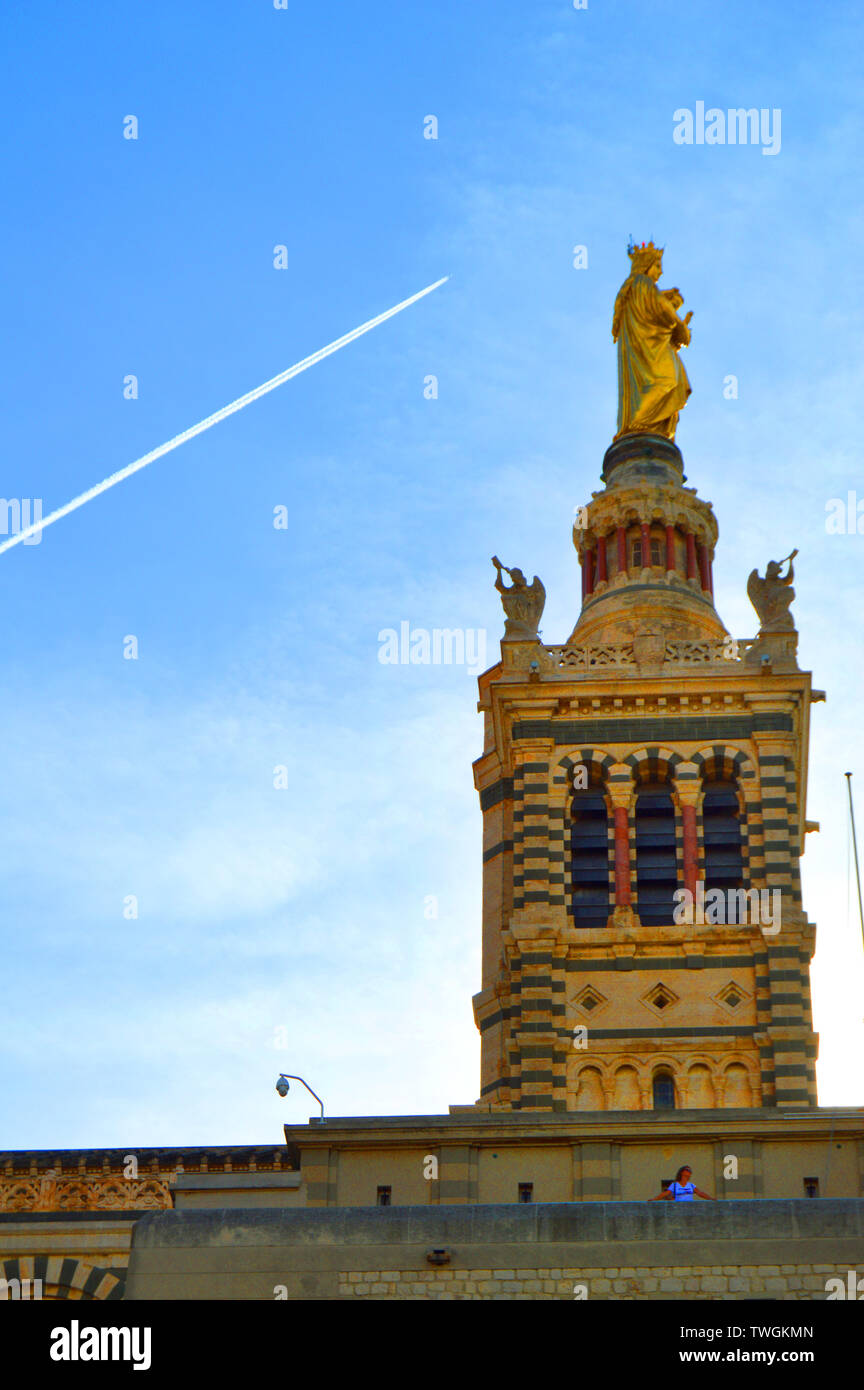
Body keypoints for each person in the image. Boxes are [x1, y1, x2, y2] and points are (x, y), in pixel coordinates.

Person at [648, 1164, 714, 1201]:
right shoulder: (674, 1185)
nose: (689, 1172)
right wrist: (654, 1199)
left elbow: (700, 1193)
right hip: (679, 1208)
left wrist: (710, 1198)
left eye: (690, 1171)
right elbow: (665, 1193)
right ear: (682, 1172)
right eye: (687, 1170)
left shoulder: (691, 1185)